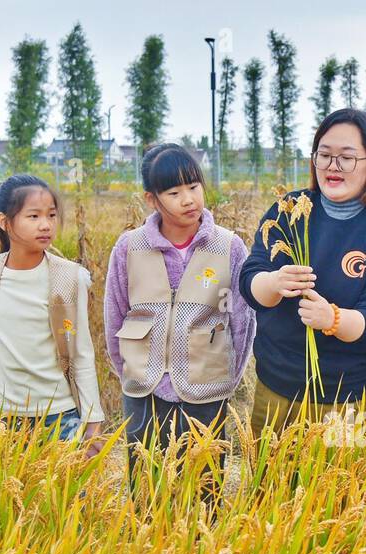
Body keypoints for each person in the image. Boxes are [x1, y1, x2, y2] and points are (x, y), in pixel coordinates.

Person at [240, 108, 366, 438]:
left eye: (347, 158)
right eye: (324, 155)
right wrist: (275, 282)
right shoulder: (288, 212)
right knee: (272, 489)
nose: (333, 166)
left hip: (351, 399)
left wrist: (332, 319)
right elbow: (250, 281)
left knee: (346, 491)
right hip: (278, 391)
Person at [104, 143, 254, 488]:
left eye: (194, 187)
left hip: (207, 386)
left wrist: (229, 378)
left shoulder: (228, 246)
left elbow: (242, 322)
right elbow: (114, 316)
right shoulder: (129, 247)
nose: (188, 199)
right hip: (144, 389)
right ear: (151, 200)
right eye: (174, 192)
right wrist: (130, 372)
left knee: (204, 486)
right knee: (146, 485)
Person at [0, 174, 105, 449]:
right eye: (34, 216)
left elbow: (81, 352)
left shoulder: (69, 277)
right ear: (5, 222)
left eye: (51, 215)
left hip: (60, 418)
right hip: (1, 418)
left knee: (66, 492)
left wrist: (93, 420)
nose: (46, 225)